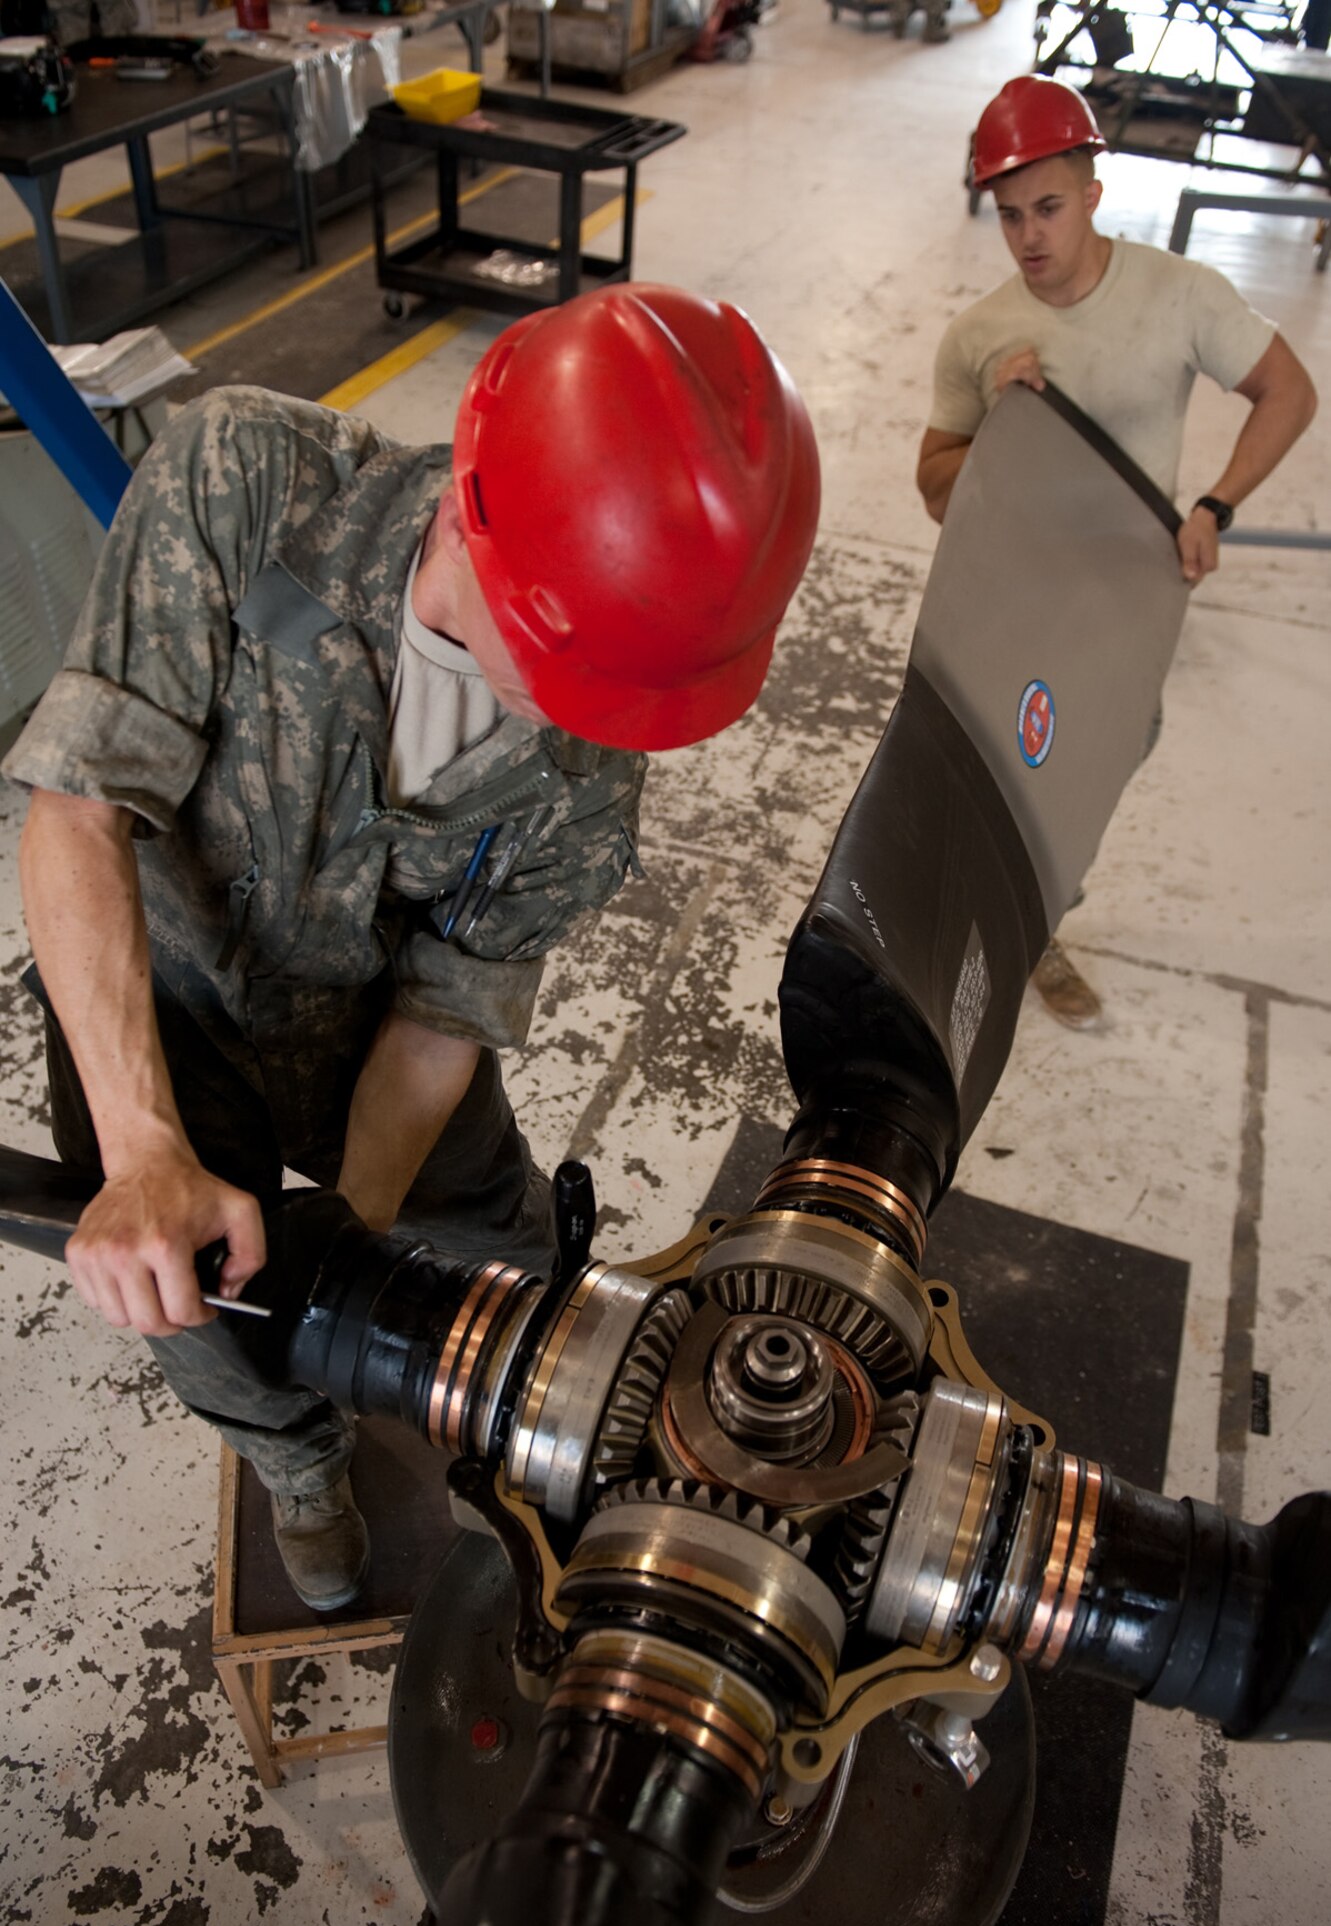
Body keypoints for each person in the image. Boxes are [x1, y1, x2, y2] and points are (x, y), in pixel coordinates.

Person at [3, 282, 821, 1612]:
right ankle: (297, 1463)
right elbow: (78, 809)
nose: (583, 725)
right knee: (206, 1312)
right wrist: (146, 1149)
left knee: (495, 1246)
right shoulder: (246, 484)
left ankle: (504, 1432)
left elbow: (444, 1009)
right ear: (472, 517)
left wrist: (353, 1242)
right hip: (170, 997)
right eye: (568, 671)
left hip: (366, 1019)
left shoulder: (592, 768)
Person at [917, 75, 1317, 1028]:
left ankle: (1040, 917)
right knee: (992, 764)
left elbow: (1288, 393)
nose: (1029, 240)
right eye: (1009, 216)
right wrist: (1002, 428)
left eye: (1048, 208)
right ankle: (987, 926)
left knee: (1102, 758)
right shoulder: (979, 336)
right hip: (1015, 599)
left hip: (1129, 601)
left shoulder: (1179, 297)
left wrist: (1215, 505)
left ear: (1093, 188)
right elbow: (935, 487)